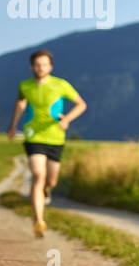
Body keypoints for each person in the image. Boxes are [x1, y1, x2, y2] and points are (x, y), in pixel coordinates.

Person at [5, 49, 86, 237]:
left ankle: (46, 191)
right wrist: (12, 126)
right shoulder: (24, 86)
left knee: (50, 180)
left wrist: (67, 120)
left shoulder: (61, 85)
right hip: (33, 136)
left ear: (50, 66)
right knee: (38, 176)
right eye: (37, 64)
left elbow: (81, 104)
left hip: (55, 137)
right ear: (32, 67)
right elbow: (20, 105)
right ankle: (38, 220)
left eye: (44, 64)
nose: (40, 67)